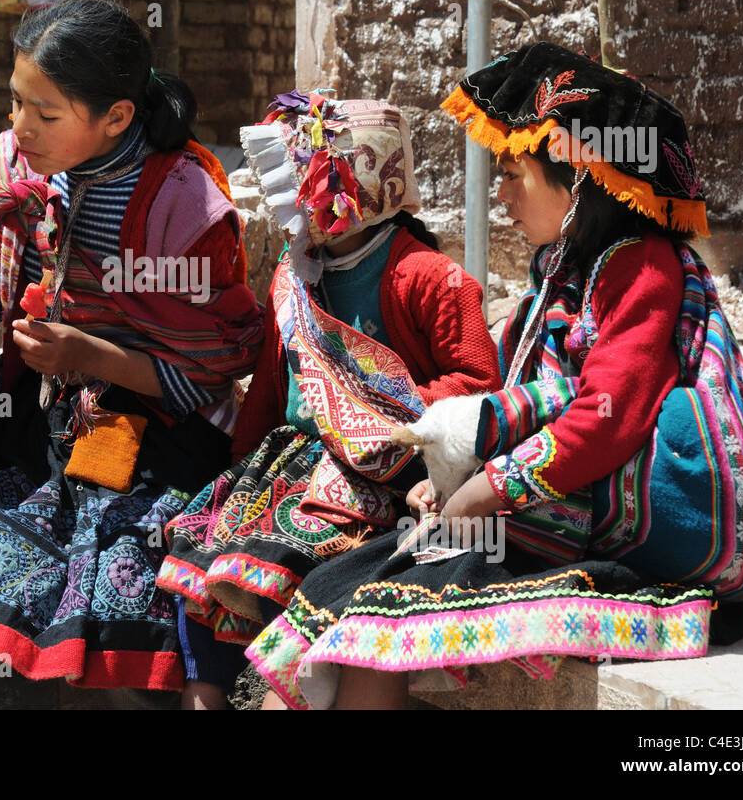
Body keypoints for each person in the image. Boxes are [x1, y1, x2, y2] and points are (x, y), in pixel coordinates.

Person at [245, 42, 743, 709]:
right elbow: (518, 397)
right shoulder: (560, 273)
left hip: (664, 518)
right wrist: (450, 480)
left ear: (579, 180)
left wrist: (489, 487)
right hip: (573, 496)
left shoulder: (643, 266)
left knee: (392, 601)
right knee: (368, 584)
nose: (501, 193)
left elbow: (606, 416)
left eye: (516, 174)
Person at [0, 0, 265, 691]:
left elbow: (215, 364)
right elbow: (21, 285)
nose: (21, 128)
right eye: (16, 103)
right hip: (52, 422)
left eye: (46, 113)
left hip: (161, 435)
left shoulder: (185, 203)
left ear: (117, 116)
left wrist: (85, 356)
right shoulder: (25, 175)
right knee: (0, 560)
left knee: (124, 578)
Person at [158, 93, 503, 709]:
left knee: (300, 575)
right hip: (287, 465)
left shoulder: (432, 279)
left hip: (380, 471)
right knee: (202, 564)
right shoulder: (293, 278)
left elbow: (477, 386)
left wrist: (374, 415)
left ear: (356, 185)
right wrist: (234, 468)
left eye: (305, 183)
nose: (292, 203)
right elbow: (269, 390)